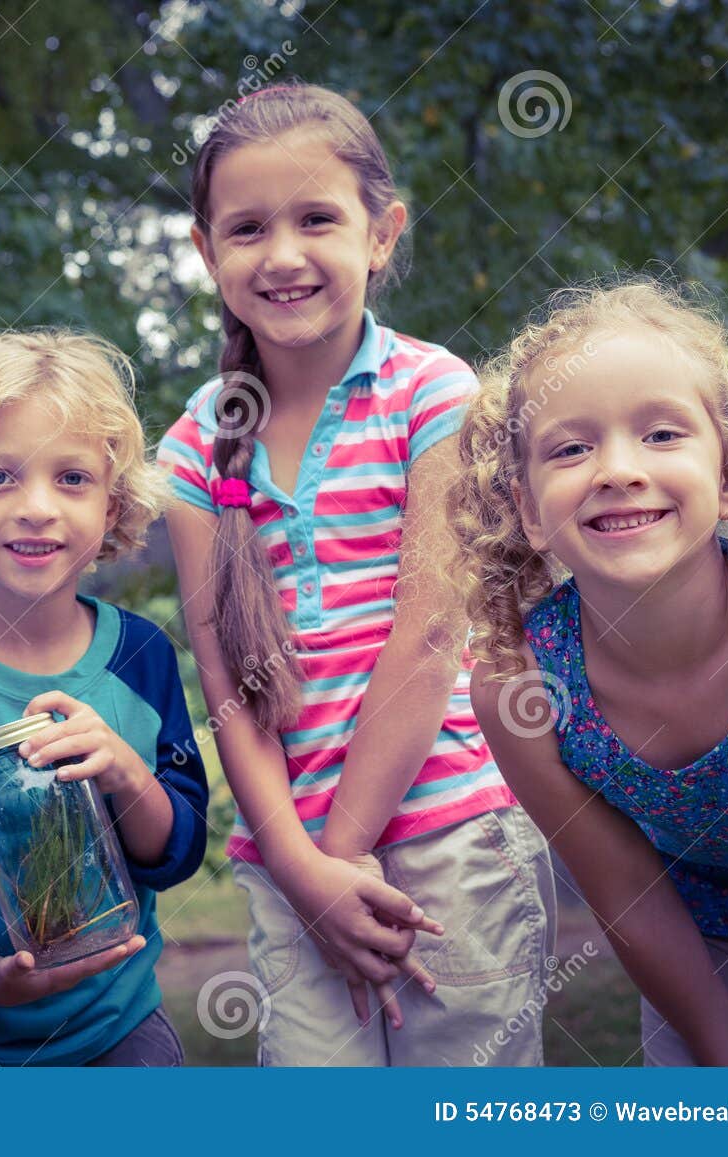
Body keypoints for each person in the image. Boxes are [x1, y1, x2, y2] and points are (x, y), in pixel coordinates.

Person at [158, 83, 553, 1066]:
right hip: (288, 863)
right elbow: (229, 692)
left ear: (381, 234)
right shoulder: (192, 450)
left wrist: (338, 857)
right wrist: (302, 870)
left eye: (317, 219)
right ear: (208, 253)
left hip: (450, 832)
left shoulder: (432, 393)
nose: (282, 254)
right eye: (246, 228)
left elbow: (427, 639)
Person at [455, 279, 728, 1066]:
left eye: (660, 434)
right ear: (525, 504)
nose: (617, 469)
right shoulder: (519, 687)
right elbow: (631, 898)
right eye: (571, 448)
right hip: (706, 939)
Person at [0, 329, 208, 1066]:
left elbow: (176, 851)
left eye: (72, 479)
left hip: (111, 1028)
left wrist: (123, 772)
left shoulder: (142, 656)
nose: (36, 507)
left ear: (113, 502)